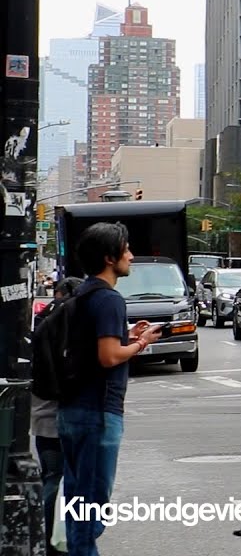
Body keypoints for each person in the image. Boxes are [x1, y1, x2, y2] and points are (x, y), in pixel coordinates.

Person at [58, 222, 163, 556]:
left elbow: (93, 348)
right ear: (108, 257)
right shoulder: (109, 299)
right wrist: (141, 343)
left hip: (73, 408)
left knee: (78, 497)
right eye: (126, 249)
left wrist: (127, 336)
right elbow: (108, 357)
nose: (131, 256)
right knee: (92, 503)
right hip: (97, 411)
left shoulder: (83, 294)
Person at [32, 276, 82, 552]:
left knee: (51, 478)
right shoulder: (63, 325)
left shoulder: (45, 322)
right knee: (60, 479)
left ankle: (47, 537)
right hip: (59, 416)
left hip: (43, 418)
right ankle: (57, 540)